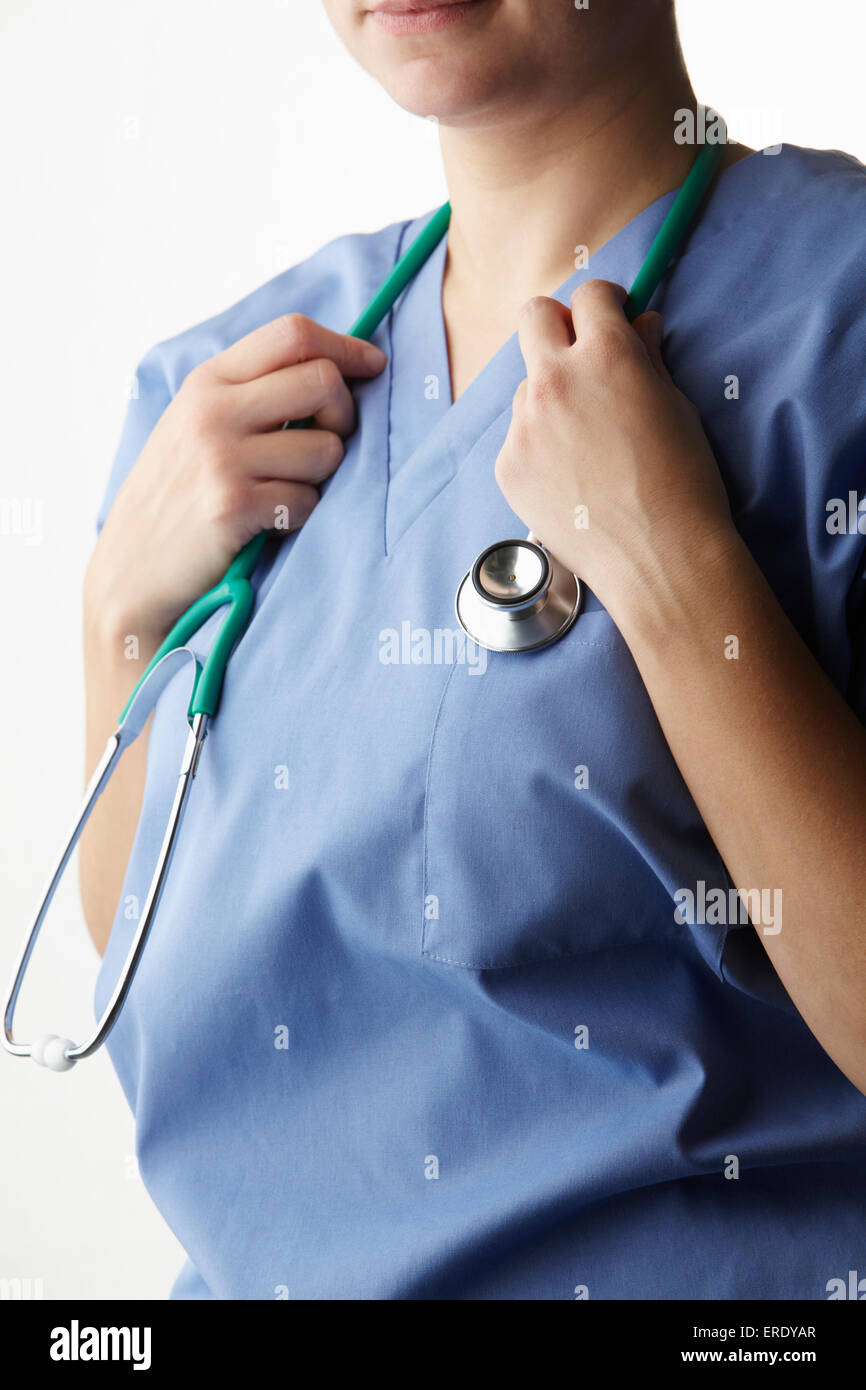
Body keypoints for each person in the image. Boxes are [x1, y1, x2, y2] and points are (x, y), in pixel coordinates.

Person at [82, 0, 866, 1299]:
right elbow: (164, 1010)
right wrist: (116, 615)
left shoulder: (832, 330)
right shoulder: (219, 397)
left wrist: (674, 566)